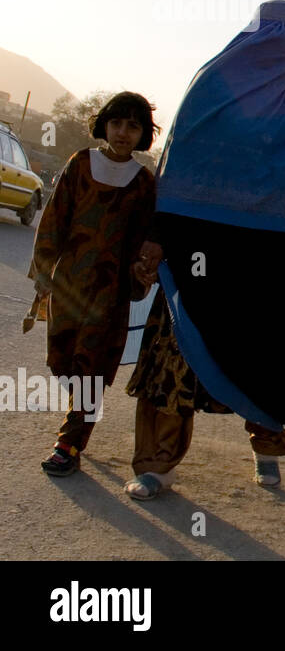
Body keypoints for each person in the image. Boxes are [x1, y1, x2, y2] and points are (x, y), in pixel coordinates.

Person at [125, 0, 285, 499]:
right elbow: (177, 165)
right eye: (276, 33)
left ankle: (266, 445)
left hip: (267, 263)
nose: (284, 46)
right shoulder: (212, 86)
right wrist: (155, 237)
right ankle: (156, 464)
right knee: (175, 357)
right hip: (195, 251)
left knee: (268, 355)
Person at [28, 92, 160, 477]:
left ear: (143, 134)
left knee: (92, 366)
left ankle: (69, 443)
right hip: (68, 285)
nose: (123, 133)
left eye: (133, 126)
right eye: (117, 123)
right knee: (63, 361)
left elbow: (142, 242)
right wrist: (42, 273)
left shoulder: (143, 184)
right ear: (104, 124)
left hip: (110, 295)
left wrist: (141, 274)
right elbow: (53, 220)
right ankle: (82, 412)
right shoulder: (80, 164)